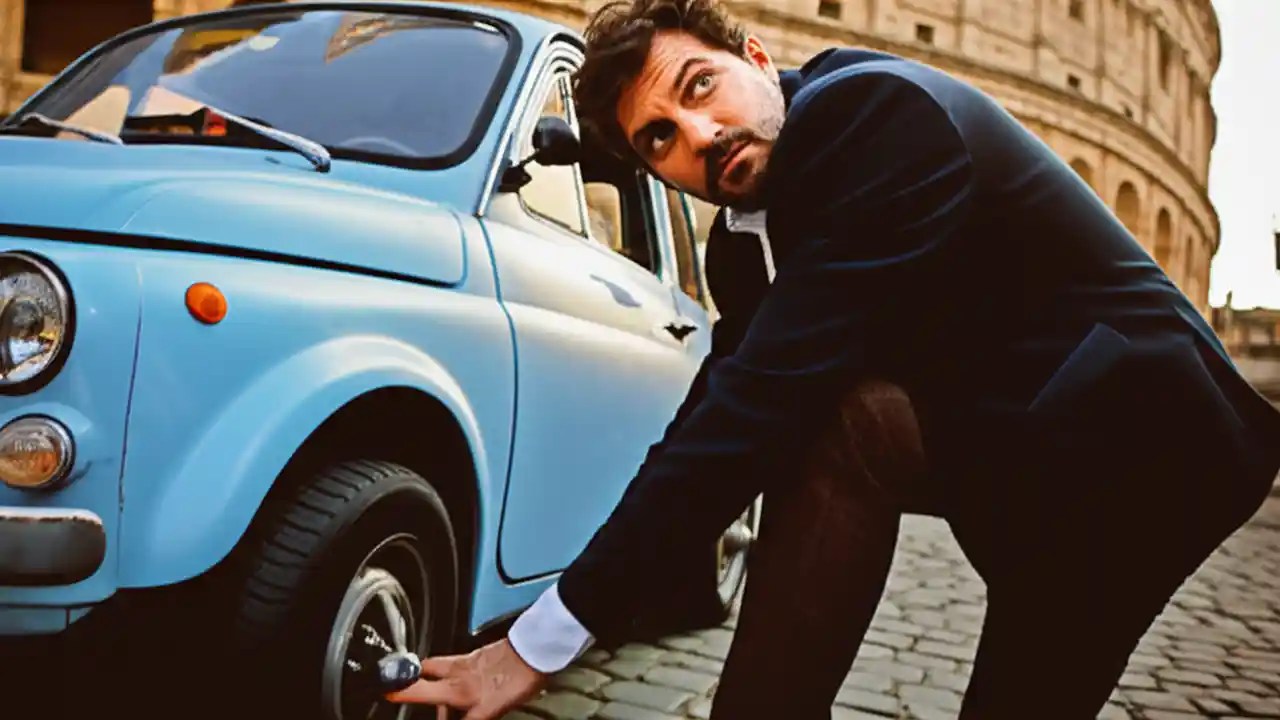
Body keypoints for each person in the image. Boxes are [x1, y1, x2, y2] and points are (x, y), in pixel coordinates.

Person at [388, 0, 1280, 716]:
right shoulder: (746, 240)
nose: (698, 135)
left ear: (757, 54)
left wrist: (540, 643)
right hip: (1025, 445)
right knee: (835, 425)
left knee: (833, 423)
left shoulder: (874, 116)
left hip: (1144, 442)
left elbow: (755, 408)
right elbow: (715, 416)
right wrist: (552, 627)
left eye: (701, 87)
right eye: (660, 138)